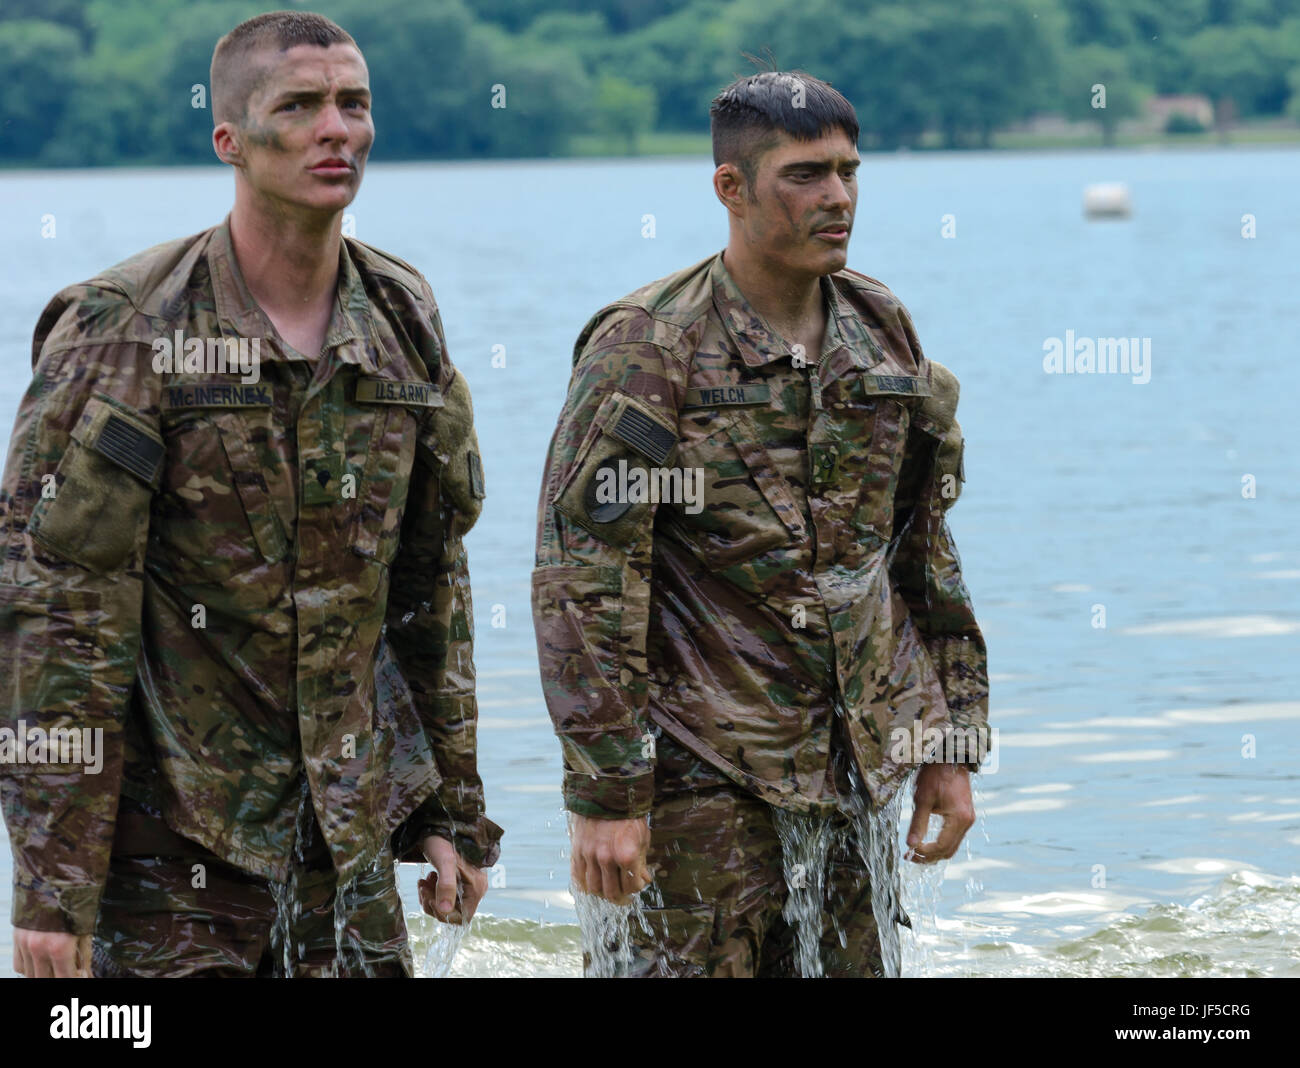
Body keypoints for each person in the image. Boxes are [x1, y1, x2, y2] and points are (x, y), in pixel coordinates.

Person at [0, 10, 500, 978]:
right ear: (228, 138)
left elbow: (429, 589)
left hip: (342, 844)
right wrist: (53, 891)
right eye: (301, 106)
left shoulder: (401, 319)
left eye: (353, 104)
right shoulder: (127, 327)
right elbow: (54, 619)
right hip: (167, 846)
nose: (336, 130)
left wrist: (448, 813)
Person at [531, 71, 989, 977]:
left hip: (854, 760)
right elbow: (585, 576)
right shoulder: (648, 346)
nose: (838, 198)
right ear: (730, 188)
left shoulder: (880, 328)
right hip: (700, 769)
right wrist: (606, 790)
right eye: (805, 175)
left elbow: (919, 548)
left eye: (849, 172)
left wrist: (948, 741)